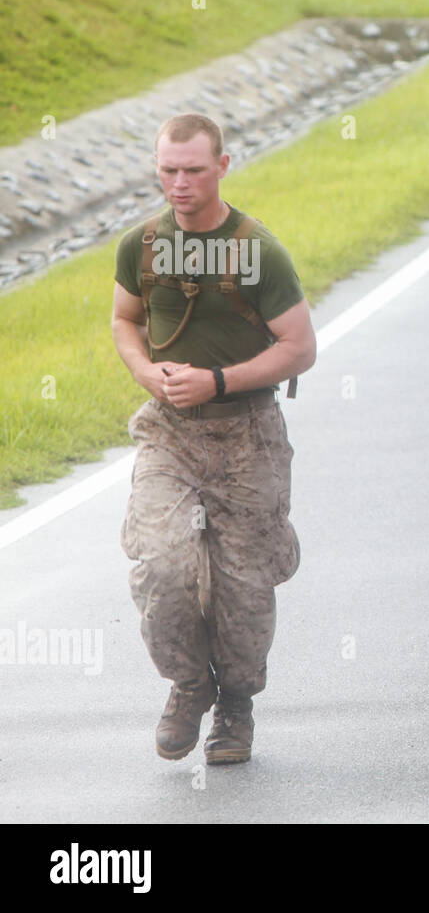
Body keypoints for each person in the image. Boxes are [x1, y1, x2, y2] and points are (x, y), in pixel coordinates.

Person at [111, 113, 315, 765]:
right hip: (169, 435)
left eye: (193, 170)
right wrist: (146, 372)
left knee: (242, 586)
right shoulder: (140, 245)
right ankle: (189, 686)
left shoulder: (259, 253)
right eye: (167, 170)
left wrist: (219, 380)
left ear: (222, 167)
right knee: (163, 565)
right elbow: (124, 319)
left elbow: (300, 348)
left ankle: (237, 705)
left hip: (246, 437)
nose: (179, 183)